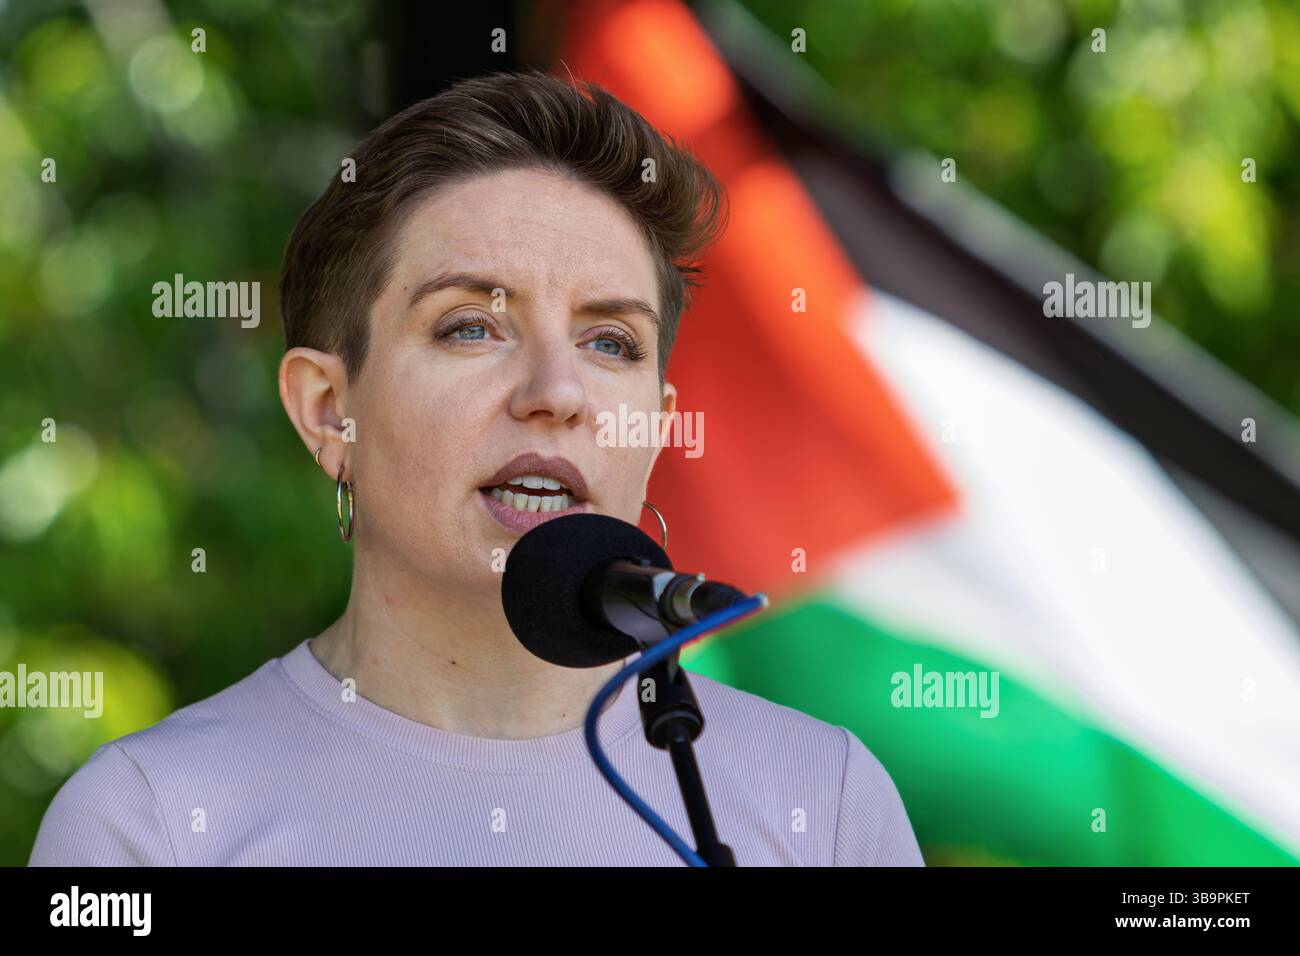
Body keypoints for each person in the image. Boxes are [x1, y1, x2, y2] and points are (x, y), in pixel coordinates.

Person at [29, 71, 924, 866]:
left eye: (611, 341)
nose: (556, 391)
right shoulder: (145, 826)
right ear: (327, 409)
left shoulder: (828, 804)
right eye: (472, 327)